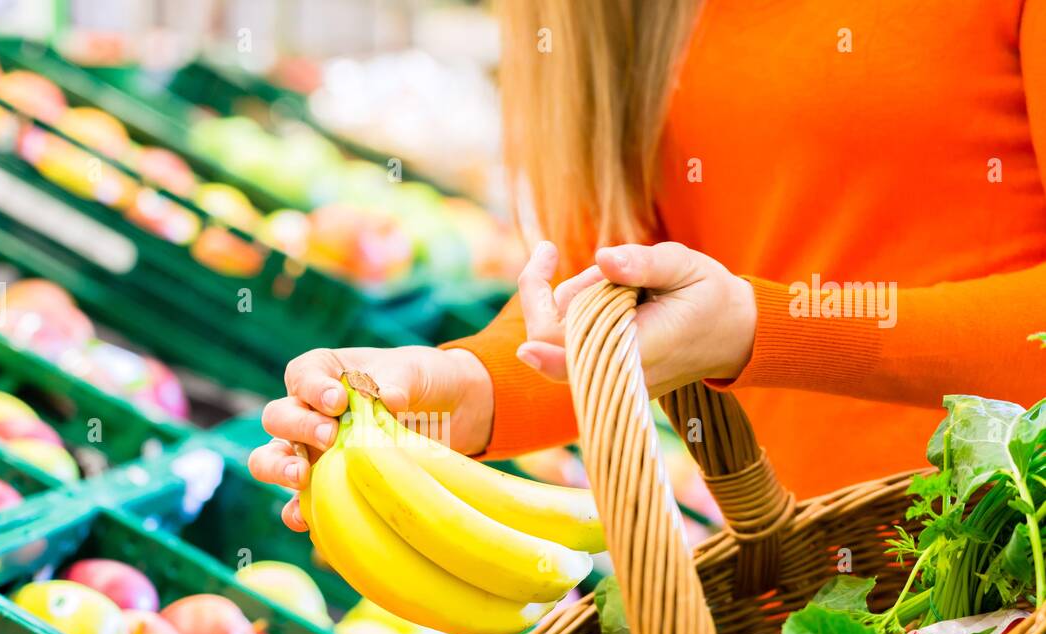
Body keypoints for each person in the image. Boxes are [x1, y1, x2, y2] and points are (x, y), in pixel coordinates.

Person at [251, 0, 1046, 531]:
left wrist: (759, 329)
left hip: (1016, 566)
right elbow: (598, 303)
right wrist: (471, 390)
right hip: (828, 614)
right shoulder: (608, 19)